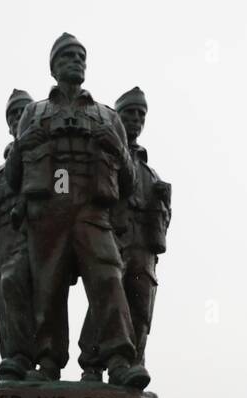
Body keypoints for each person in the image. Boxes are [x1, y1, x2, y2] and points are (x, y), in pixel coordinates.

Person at [6, 33, 148, 388]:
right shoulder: (33, 113)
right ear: (54, 67)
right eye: (68, 56)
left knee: (108, 278)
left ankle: (118, 360)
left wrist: (117, 147)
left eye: (81, 56)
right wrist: (23, 144)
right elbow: (13, 180)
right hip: (48, 211)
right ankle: (48, 362)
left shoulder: (107, 116)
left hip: (91, 210)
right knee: (48, 288)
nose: (76, 61)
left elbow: (128, 184)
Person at [77, 85, 171, 377]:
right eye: (129, 113)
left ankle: (134, 365)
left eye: (140, 114)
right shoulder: (105, 154)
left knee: (140, 308)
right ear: (117, 116)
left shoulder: (150, 170)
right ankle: (91, 366)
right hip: (113, 236)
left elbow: (164, 215)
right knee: (106, 300)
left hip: (144, 246)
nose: (136, 119)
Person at [0, 88, 36, 381]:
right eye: (13, 114)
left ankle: (24, 355)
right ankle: (13, 361)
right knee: (3, 299)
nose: (18, 118)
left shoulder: (41, 153)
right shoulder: (5, 165)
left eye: (22, 111)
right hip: (1, 239)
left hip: (30, 232)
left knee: (18, 286)